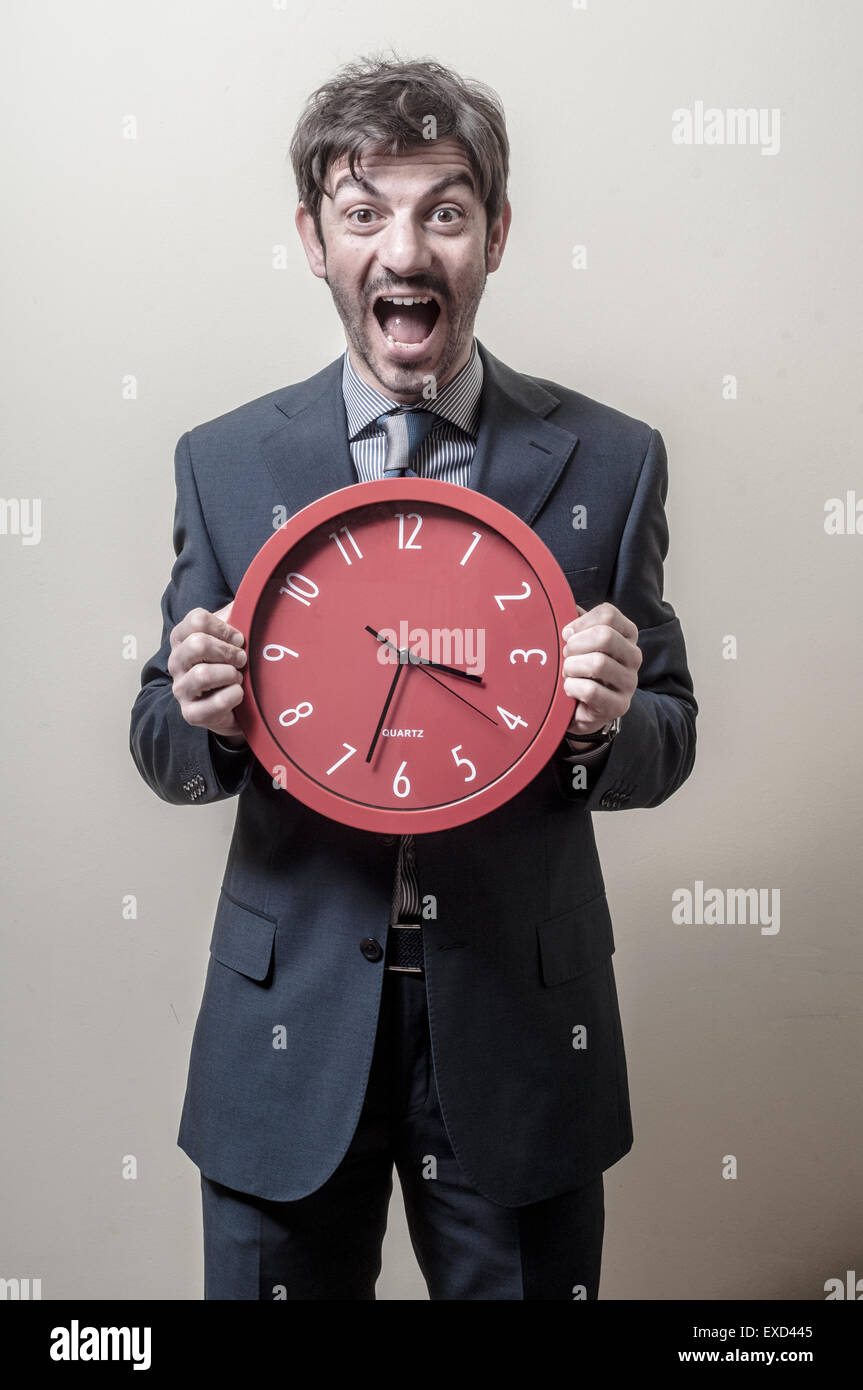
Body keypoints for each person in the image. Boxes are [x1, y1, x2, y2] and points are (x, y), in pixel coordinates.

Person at [129, 55, 697, 1301]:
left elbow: (669, 727)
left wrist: (607, 719)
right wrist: (195, 711)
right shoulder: (224, 461)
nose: (404, 249)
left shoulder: (611, 456)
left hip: (516, 1028)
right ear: (313, 239)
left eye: (442, 211)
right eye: (362, 210)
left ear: (493, 233)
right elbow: (161, 743)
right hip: (286, 1036)